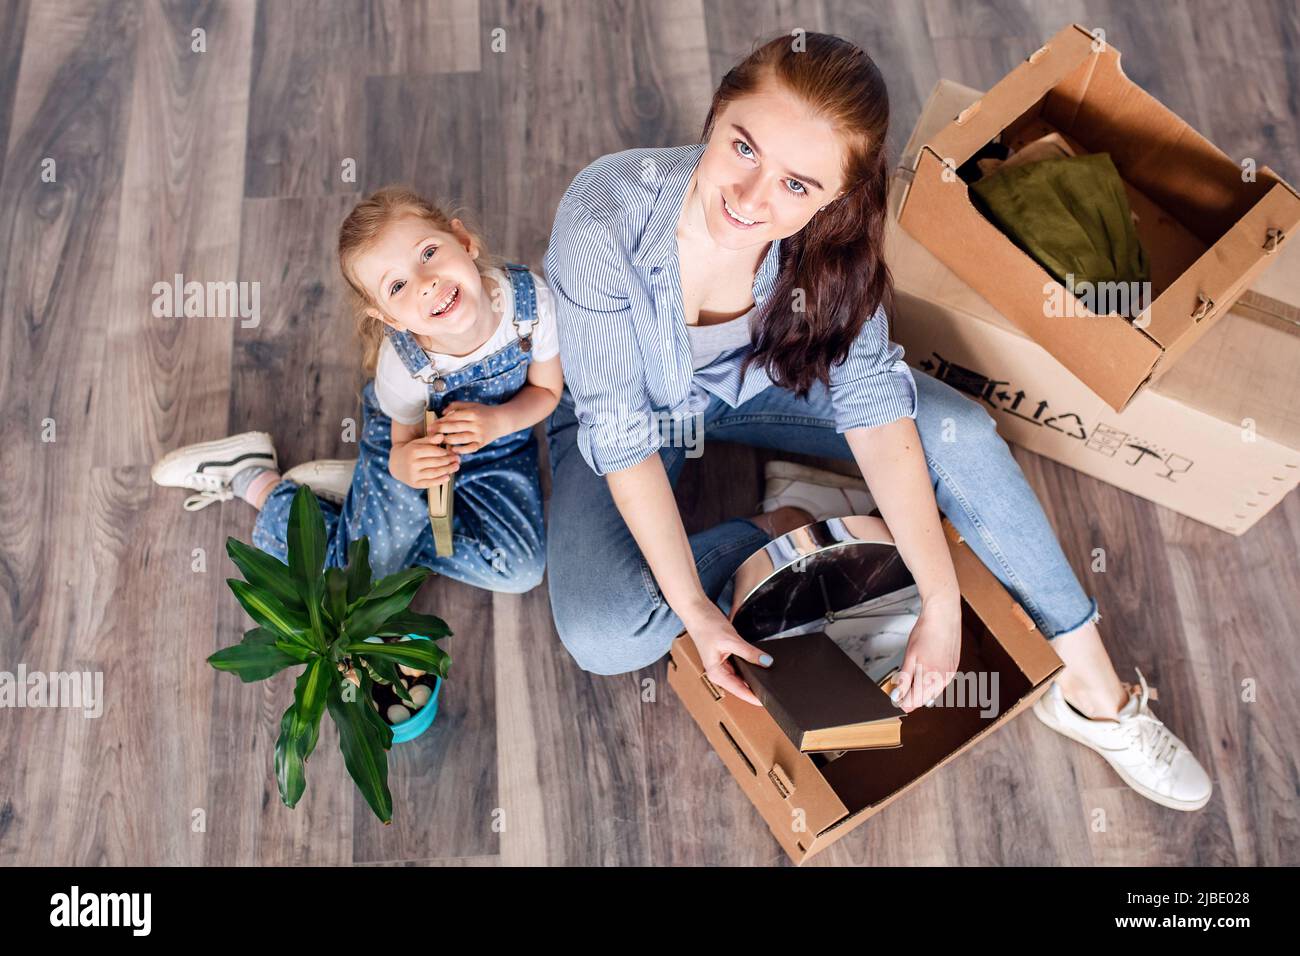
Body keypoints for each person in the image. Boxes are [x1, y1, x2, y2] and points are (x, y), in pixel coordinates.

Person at [541, 33, 1210, 811]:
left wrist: (941, 601)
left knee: (957, 433)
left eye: (798, 184)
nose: (754, 199)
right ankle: (782, 525)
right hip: (631, 407)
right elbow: (620, 438)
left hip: (768, 382)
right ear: (717, 112)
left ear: (835, 196)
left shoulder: (833, 243)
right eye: (744, 146)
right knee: (600, 632)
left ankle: (1097, 694)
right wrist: (696, 610)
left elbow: (873, 406)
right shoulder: (604, 214)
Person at [152, 187, 562, 592]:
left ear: (464, 240)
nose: (424, 282)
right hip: (414, 445)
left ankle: (362, 509)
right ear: (390, 319)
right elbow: (402, 447)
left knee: (521, 569)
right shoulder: (404, 362)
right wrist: (404, 469)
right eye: (397, 287)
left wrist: (497, 421)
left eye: (428, 253)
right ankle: (254, 479)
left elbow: (546, 392)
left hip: (500, 445)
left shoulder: (529, 306)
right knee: (354, 583)